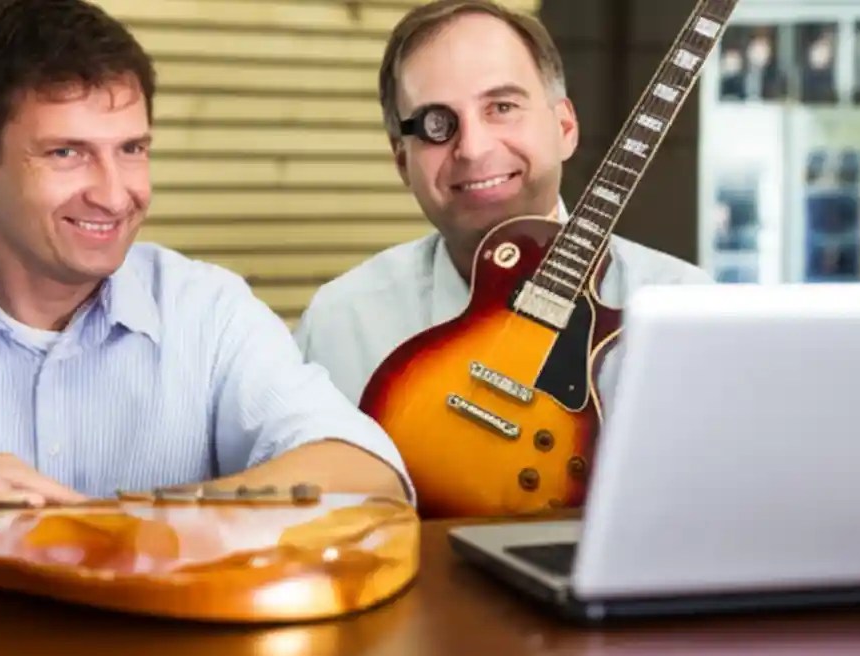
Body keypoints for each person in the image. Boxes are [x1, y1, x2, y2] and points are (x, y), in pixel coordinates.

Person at [0, 0, 410, 511]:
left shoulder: (208, 310)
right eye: (66, 153)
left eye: (131, 149)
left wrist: (103, 516)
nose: (113, 194)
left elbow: (368, 473)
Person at [294, 0, 710, 410]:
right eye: (435, 123)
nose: (473, 149)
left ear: (564, 127)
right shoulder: (339, 325)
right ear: (403, 160)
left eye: (503, 107)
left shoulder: (690, 313)